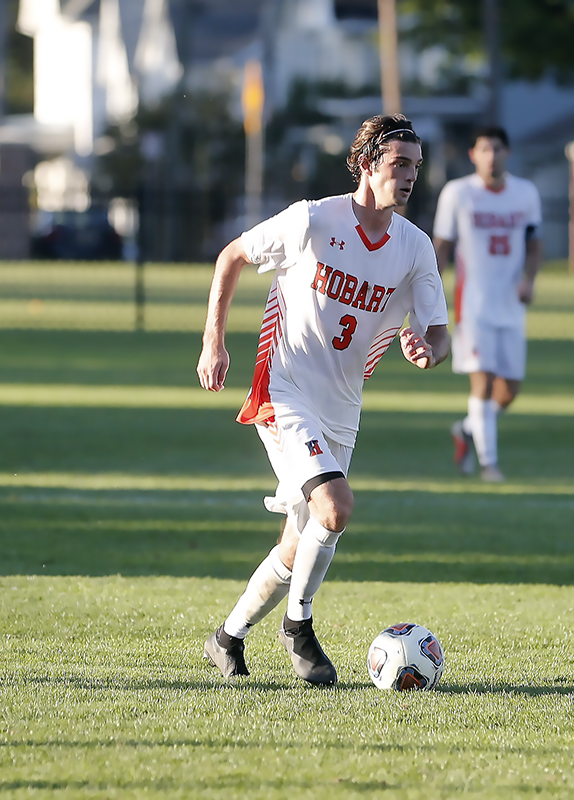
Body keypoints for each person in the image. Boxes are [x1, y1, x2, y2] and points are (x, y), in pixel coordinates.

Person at [195, 114, 452, 685]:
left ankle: (228, 636)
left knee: (300, 537)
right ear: (366, 164)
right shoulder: (312, 219)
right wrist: (214, 341)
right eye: (399, 164)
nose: (410, 177)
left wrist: (426, 350)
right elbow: (231, 257)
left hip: (342, 406)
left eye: (415, 166)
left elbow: (440, 333)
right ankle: (299, 628)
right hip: (283, 389)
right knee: (334, 507)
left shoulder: (414, 247)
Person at [433, 126, 542, 482]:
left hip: (510, 304)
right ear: (472, 155)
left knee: (508, 390)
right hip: (474, 305)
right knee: (481, 383)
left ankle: (467, 429)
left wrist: (529, 280)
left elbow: (534, 243)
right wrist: (429, 292)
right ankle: (489, 464)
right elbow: (443, 246)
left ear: (507, 153)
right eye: (484, 149)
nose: (491, 156)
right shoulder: (458, 193)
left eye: (497, 149)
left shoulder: (525, 193)